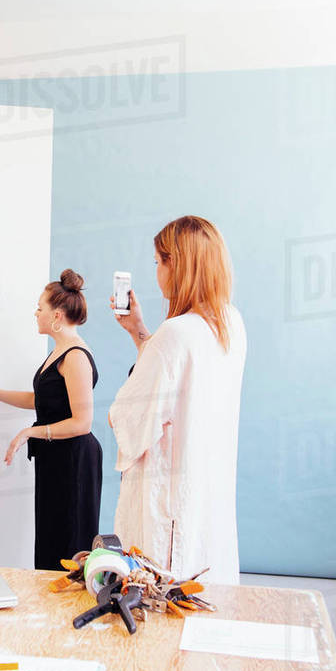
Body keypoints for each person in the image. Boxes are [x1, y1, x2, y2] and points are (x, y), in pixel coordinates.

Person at [107, 216, 247, 585]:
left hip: (167, 504)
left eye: (158, 262)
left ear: (176, 264)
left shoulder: (175, 333)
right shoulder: (231, 324)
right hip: (205, 492)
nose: (157, 272)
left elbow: (131, 419)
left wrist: (115, 413)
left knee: (161, 599)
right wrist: (138, 329)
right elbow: (176, 383)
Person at [0, 269, 102, 570]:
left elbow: (82, 422)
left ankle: (66, 616)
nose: (36, 313)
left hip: (74, 463)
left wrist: (29, 433)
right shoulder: (59, 352)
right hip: (56, 460)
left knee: (68, 546)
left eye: (40, 307)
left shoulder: (74, 356)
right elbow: (41, 401)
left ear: (57, 315)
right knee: (51, 544)